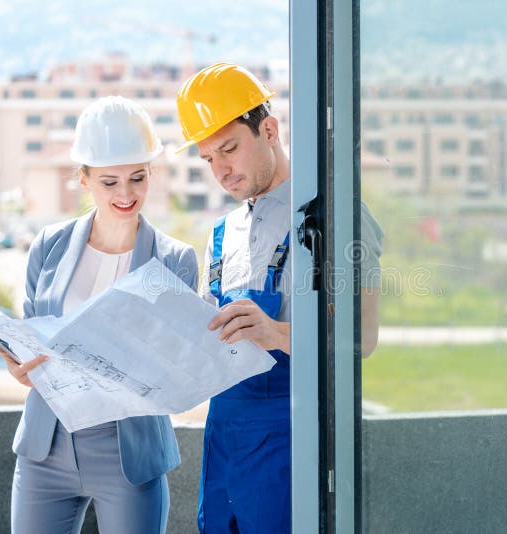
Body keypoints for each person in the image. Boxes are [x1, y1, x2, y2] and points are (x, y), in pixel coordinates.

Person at [175, 62, 383, 534]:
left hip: (288, 445)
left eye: (229, 149)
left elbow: (364, 339)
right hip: (222, 444)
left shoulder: (337, 218)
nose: (220, 170)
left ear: (269, 130)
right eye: (208, 158)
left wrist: (276, 332)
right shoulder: (222, 234)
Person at [0, 96, 198, 534]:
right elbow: (32, 333)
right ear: (83, 178)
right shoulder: (47, 246)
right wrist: (21, 366)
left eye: (137, 178)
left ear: (151, 172)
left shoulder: (175, 261)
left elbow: (178, 364)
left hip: (128, 454)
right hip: (46, 447)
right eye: (109, 182)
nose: (126, 194)